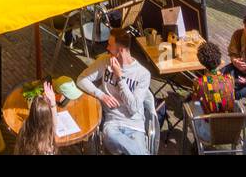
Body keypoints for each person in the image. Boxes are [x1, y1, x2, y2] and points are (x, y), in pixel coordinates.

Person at [76, 27, 153, 155]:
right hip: (113, 124)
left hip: (135, 126)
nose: (107, 48)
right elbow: (81, 79)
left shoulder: (143, 74)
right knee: (109, 136)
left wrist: (120, 77)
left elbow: (133, 108)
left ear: (120, 51)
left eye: (110, 45)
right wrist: (101, 95)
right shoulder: (104, 61)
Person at [187, 40, 240, 147]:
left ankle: (195, 146)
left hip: (208, 134)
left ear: (202, 62)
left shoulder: (199, 83)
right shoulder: (230, 79)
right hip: (229, 132)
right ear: (219, 60)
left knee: (192, 106)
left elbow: (195, 104)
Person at [13, 79, 59, 155]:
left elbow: (53, 128)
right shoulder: (47, 148)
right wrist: (53, 104)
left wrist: (53, 103)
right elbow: (53, 129)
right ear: (47, 122)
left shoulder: (25, 129)